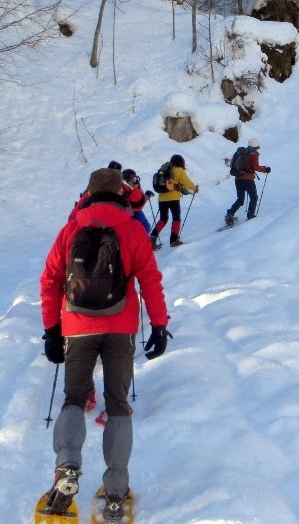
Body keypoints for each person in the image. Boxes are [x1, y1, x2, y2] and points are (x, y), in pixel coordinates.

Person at [40, 167, 170, 523]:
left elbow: (50, 280)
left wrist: (52, 330)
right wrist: (159, 325)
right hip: (120, 327)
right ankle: (115, 492)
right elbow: (150, 281)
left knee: (73, 398)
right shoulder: (131, 229)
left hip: (77, 325)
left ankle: (67, 468)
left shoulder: (71, 229)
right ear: (120, 193)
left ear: (89, 193)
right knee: (117, 405)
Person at [151, 154, 197, 249]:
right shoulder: (179, 170)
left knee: (163, 219)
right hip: (174, 199)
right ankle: (174, 239)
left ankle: (152, 238)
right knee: (176, 218)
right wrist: (195, 188)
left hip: (162, 199)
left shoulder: (165, 171)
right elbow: (186, 182)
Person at [224, 138, 271, 227]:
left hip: (238, 179)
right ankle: (250, 216)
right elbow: (256, 167)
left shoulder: (242, 153)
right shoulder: (253, 154)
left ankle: (230, 214)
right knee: (253, 198)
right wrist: (265, 169)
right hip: (248, 180)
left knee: (240, 200)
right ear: (256, 146)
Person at [121, 169, 153, 235]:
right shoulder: (130, 187)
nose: (135, 179)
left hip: (128, 212)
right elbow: (138, 204)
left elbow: (139, 202)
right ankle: (144, 243)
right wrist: (147, 196)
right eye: (133, 177)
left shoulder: (125, 186)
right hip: (133, 213)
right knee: (145, 228)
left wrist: (146, 195)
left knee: (141, 229)